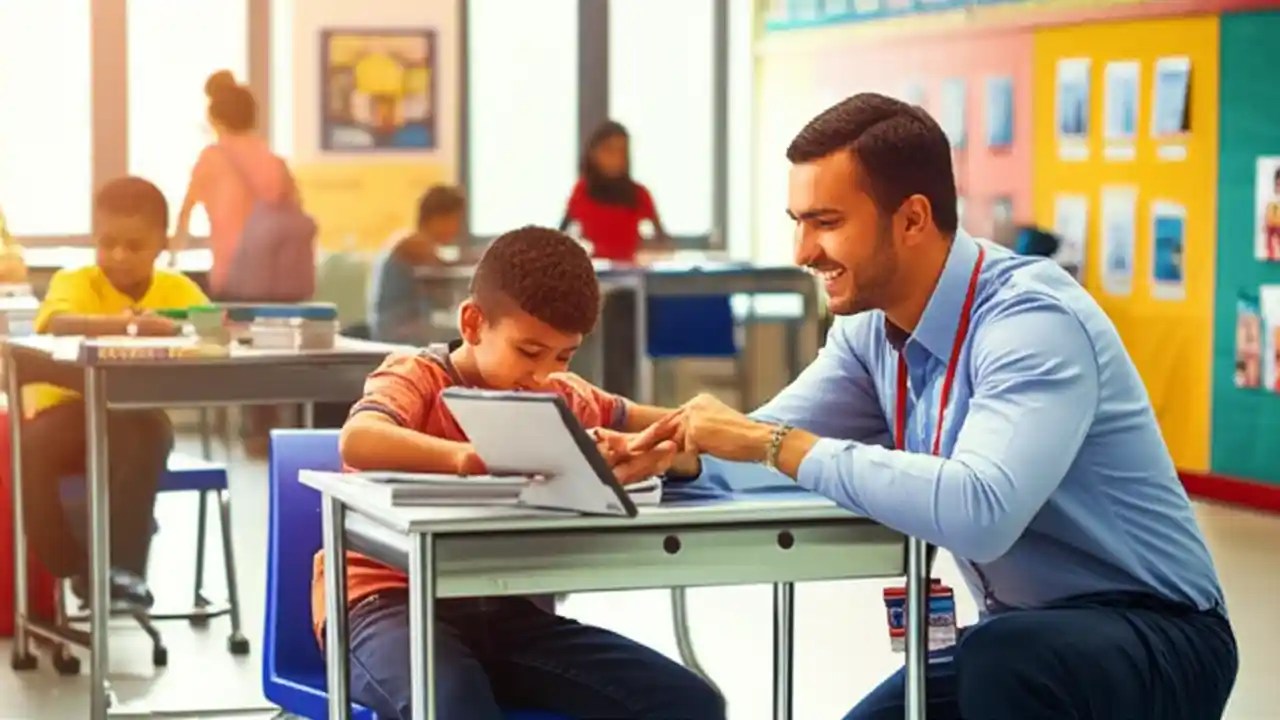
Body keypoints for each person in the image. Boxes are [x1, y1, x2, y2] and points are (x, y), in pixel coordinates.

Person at [634, 94, 1236, 719]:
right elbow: (764, 441)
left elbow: (982, 511)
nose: (802, 251)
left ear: (913, 219)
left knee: (1007, 661)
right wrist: (673, 456)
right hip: (1015, 642)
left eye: (826, 221)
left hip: (1158, 637)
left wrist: (776, 445)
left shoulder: (1030, 320)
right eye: (797, 221)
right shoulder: (869, 330)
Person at [319, 226, 721, 720]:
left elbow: (672, 427)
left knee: (688, 704)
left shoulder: (557, 394)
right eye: (529, 352)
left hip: (503, 610)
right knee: (454, 708)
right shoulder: (414, 375)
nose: (541, 374)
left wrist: (668, 455)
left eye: (563, 356)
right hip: (387, 606)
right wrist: (473, 458)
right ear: (472, 323)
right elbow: (359, 438)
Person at [22, 177, 208, 610]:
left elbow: (211, 324)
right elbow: (56, 323)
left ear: (161, 244)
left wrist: (184, 326)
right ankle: (70, 565)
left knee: (150, 433)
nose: (118, 255)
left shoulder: (176, 288)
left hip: (131, 418)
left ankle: (121, 573)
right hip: (68, 412)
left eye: (134, 245)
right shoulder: (76, 280)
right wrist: (131, 326)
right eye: (107, 243)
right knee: (32, 446)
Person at [174, 70, 301, 455]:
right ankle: (271, 432)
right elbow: (294, 213)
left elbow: (185, 214)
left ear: (216, 119)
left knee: (243, 349)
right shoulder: (273, 160)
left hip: (234, 271)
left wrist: (172, 255)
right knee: (275, 351)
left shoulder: (211, 158)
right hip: (276, 273)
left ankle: (251, 433)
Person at [368, 185, 466, 344]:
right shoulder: (414, 244)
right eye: (455, 219)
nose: (457, 228)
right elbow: (447, 271)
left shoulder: (411, 241)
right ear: (438, 218)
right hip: (396, 330)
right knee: (466, 335)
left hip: (404, 326)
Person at [560, 120, 668, 263]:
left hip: (631, 272)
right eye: (609, 150)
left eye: (622, 151)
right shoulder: (581, 192)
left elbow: (663, 241)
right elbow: (560, 236)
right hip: (594, 270)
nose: (616, 158)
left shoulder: (639, 194)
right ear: (593, 153)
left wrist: (647, 256)